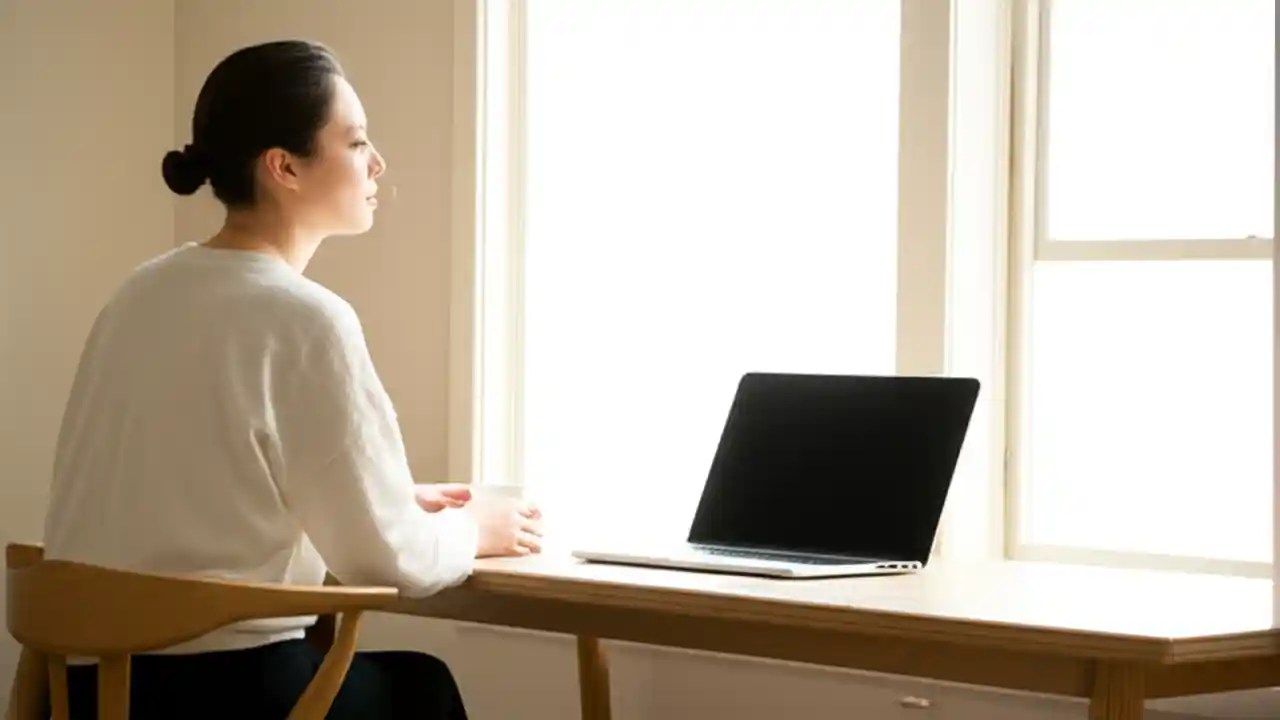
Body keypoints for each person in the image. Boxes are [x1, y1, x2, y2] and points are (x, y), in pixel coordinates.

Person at [40, 39, 542, 718]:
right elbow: (388, 561)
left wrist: (376, 494)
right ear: (284, 167)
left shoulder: (139, 293)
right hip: (222, 695)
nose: (378, 164)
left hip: (80, 692)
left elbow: (193, 491)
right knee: (421, 690)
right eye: (357, 141)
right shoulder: (307, 318)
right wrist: (474, 529)